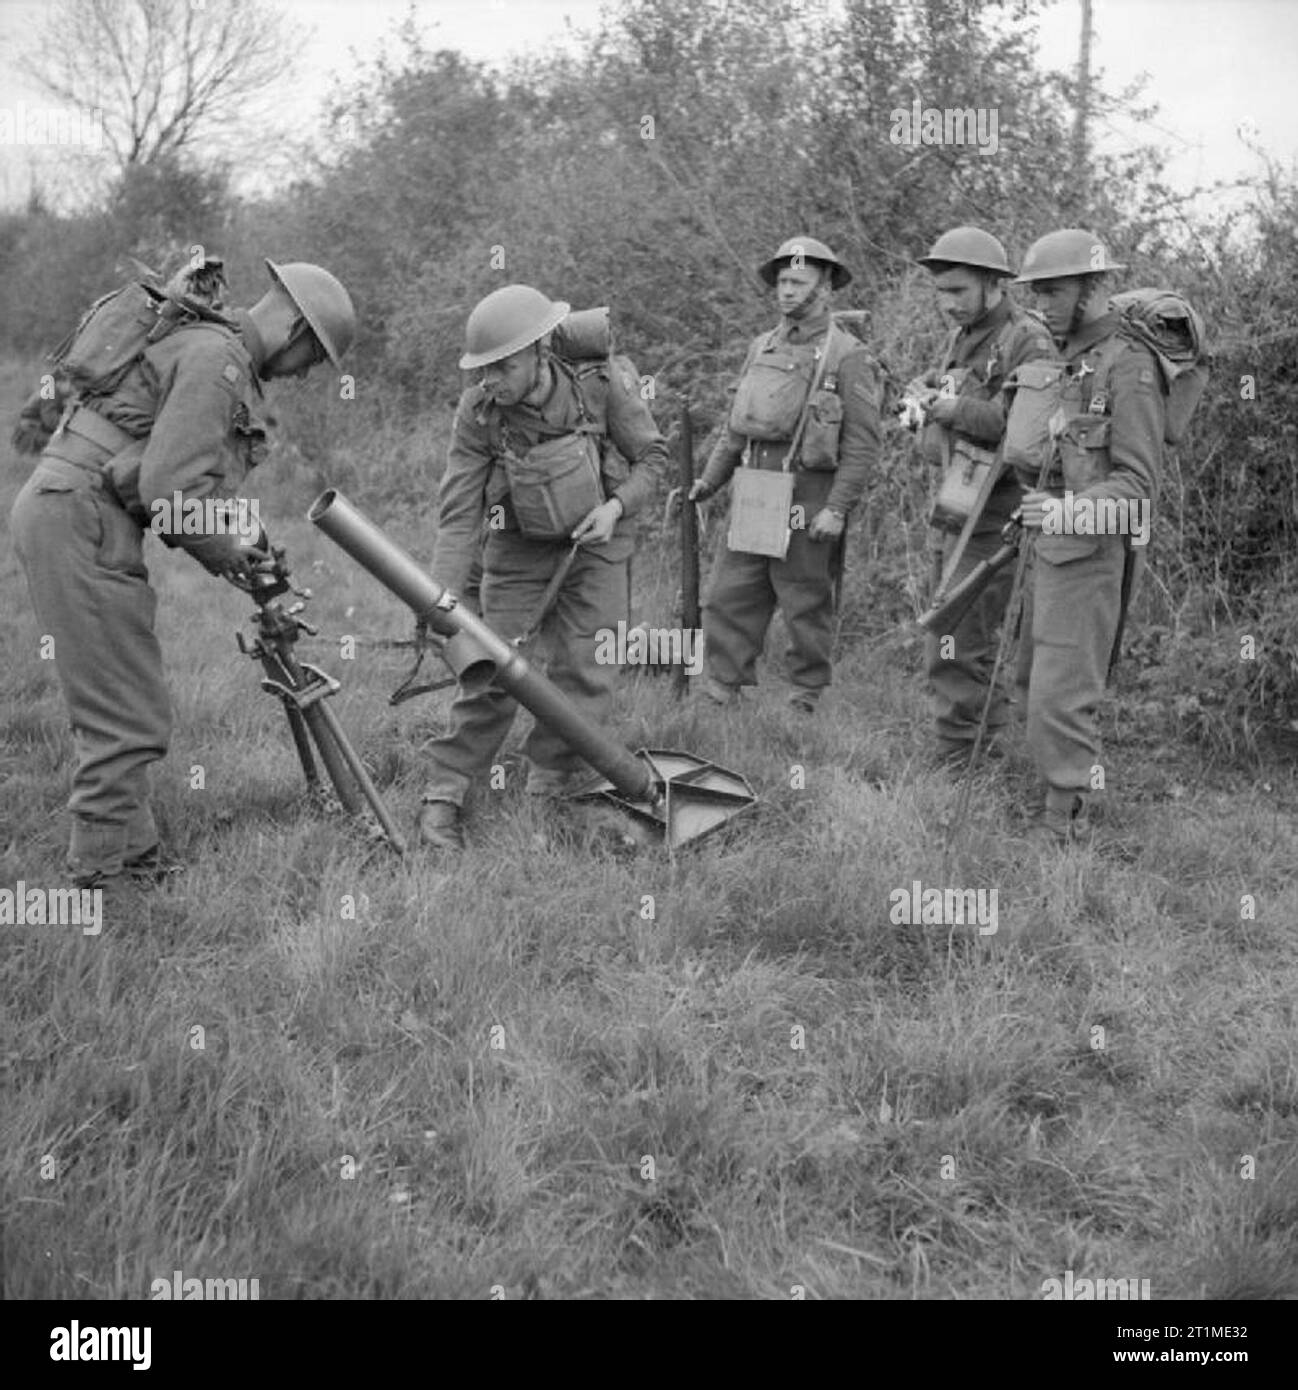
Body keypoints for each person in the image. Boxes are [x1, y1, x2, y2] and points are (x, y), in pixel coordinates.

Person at [10, 258, 355, 890]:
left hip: (76, 511)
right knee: (123, 710)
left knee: (127, 694)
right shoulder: (219, 360)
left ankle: (135, 856)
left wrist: (245, 543)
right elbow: (167, 490)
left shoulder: (205, 344)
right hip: (80, 519)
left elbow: (162, 476)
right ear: (296, 328)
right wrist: (226, 553)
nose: (304, 372)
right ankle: (101, 875)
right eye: (312, 356)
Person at [418, 284, 668, 851]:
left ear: (538, 352)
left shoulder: (599, 384)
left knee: (588, 666)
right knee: (493, 665)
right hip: (518, 543)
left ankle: (550, 786)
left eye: (503, 367)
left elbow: (652, 458)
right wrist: (441, 603)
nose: (491, 381)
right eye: (483, 370)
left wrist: (615, 508)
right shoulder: (479, 412)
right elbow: (460, 514)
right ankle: (445, 792)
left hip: (599, 541)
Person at [1009, 228, 1166, 845]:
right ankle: (1051, 791)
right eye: (1038, 291)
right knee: (1032, 682)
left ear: (1094, 286)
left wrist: (1065, 514)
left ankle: (1064, 820)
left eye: (1054, 290)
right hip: (1045, 547)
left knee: (1063, 691)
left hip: (1091, 554)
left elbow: (1137, 490)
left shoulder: (1130, 366)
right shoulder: (1068, 357)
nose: (1042, 303)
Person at [689, 235, 881, 714]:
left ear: (826, 289)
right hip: (756, 486)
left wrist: (837, 508)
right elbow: (736, 428)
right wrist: (709, 481)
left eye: (798, 282)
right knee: (731, 591)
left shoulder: (848, 356)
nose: (787, 291)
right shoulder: (761, 346)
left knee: (804, 600)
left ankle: (805, 696)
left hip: (808, 494)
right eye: (782, 282)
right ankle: (722, 686)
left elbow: (862, 444)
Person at [909, 226, 1055, 765]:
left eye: (959, 291)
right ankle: (979, 747)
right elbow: (958, 392)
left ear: (995, 284)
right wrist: (924, 395)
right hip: (958, 504)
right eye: (941, 292)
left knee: (954, 632)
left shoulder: (1027, 340)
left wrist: (952, 410)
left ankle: (958, 758)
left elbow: (1021, 427)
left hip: (998, 513)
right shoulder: (963, 336)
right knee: (964, 631)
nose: (948, 304)